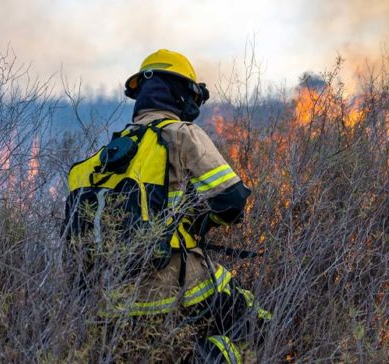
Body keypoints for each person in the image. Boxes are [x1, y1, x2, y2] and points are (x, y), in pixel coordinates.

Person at [65, 49, 267, 363]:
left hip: (111, 302)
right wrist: (203, 220)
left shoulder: (104, 158)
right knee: (258, 325)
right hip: (178, 284)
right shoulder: (181, 134)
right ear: (181, 93)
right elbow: (231, 202)